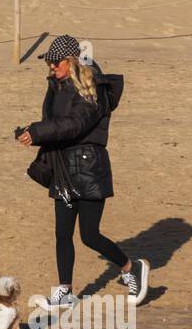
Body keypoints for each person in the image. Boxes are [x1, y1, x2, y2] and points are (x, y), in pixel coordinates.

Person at [17, 34, 148, 308]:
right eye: (49, 63)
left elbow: (75, 124)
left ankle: (130, 267)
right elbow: (53, 124)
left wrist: (38, 131)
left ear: (71, 60)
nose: (52, 68)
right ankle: (65, 290)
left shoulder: (93, 88)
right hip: (62, 168)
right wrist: (31, 134)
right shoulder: (55, 87)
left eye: (56, 63)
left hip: (89, 168)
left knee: (89, 235)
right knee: (62, 233)